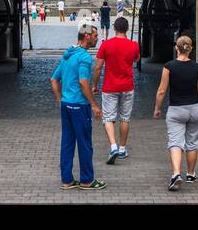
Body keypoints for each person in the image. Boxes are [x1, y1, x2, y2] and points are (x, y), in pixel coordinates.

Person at [153, 33, 198, 190]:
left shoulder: (169, 67)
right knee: (192, 143)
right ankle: (191, 174)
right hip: (195, 110)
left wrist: (157, 108)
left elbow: (161, 90)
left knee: (175, 142)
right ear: (190, 49)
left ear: (176, 48)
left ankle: (176, 174)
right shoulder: (197, 67)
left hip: (176, 110)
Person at [50, 23, 105, 190]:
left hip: (66, 104)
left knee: (67, 143)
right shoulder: (85, 57)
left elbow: (54, 79)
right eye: (95, 35)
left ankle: (66, 180)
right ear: (87, 36)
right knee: (85, 143)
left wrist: (60, 99)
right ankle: (87, 180)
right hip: (79, 106)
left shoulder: (67, 55)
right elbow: (83, 82)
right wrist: (94, 105)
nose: (97, 38)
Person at [93, 17, 140, 164]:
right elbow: (136, 60)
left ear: (114, 28)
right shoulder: (134, 45)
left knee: (108, 117)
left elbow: (98, 67)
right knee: (125, 118)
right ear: (127, 29)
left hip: (110, 86)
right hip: (127, 86)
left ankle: (113, 146)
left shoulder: (106, 45)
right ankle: (122, 148)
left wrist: (94, 85)